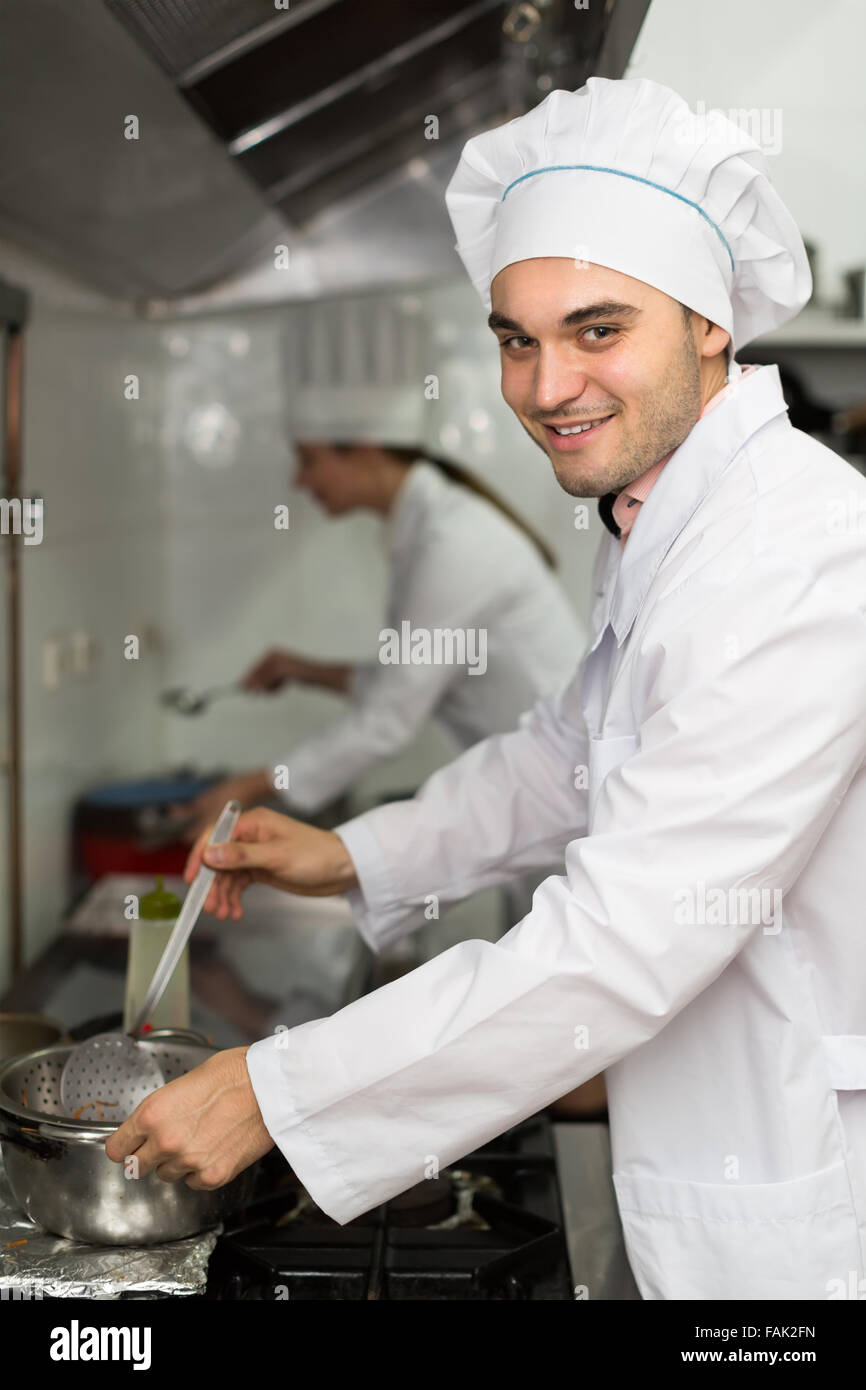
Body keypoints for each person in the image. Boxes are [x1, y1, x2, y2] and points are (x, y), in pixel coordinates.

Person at [105, 77, 866, 1301]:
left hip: (805, 1207)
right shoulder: (669, 518)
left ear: (711, 322)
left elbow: (622, 938)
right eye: (517, 338)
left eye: (596, 329)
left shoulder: (794, 554)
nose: (546, 385)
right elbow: (561, 757)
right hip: (705, 1152)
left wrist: (276, 1089)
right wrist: (353, 852)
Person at [182, 429, 583, 835]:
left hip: (564, 796)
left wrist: (246, 788)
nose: (298, 481)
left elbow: (387, 720)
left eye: (307, 460)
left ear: (364, 448)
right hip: (539, 796)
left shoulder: (454, 541)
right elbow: (405, 681)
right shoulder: (431, 529)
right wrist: (302, 670)